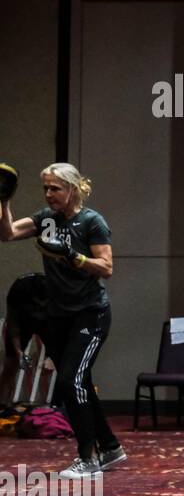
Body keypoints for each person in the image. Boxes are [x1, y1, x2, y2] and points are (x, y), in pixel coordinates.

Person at [0, 163, 124, 477]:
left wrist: (73, 256)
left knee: (70, 381)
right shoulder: (46, 219)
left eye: (55, 188)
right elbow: (9, 233)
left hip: (91, 314)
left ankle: (88, 458)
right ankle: (110, 447)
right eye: (45, 188)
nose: (49, 194)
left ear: (72, 189)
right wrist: (4, 202)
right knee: (77, 383)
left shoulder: (91, 222)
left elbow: (106, 267)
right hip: (58, 316)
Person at [1, 273, 47, 405]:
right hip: (22, 323)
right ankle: (2, 405)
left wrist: (50, 358)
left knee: (59, 361)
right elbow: (13, 325)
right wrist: (18, 352)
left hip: (48, 322)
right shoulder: (19, 290)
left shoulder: (57, 290)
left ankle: (58, 406)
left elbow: (60, 329)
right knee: (10, 364)